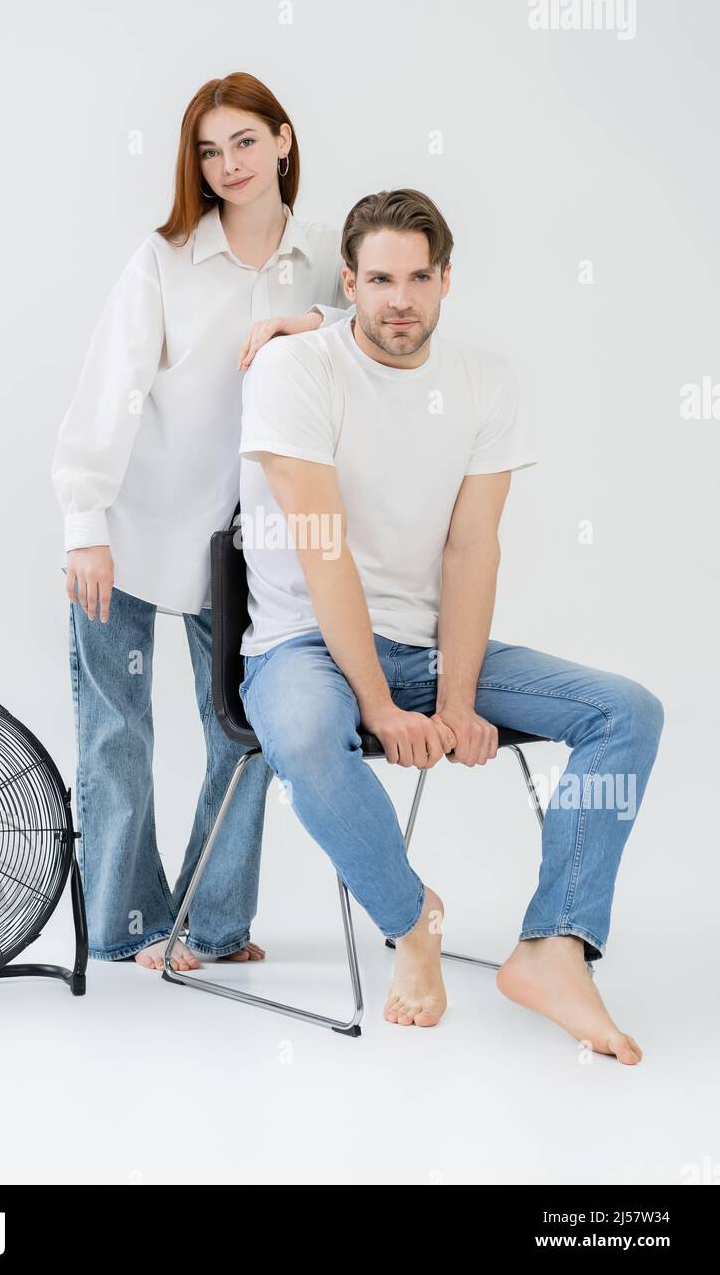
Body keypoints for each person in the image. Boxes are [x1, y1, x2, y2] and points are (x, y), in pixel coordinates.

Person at [237, 187, 664, 1062]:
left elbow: (471, 550)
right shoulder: (294, 371)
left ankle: (554, 947)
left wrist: (458, 697)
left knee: (627, 711)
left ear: (445, 281)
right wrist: (379, 706)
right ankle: (411, 921)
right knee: (309, 740)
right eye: (380, 279)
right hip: (304, 645)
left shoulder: (484, 380)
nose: (401, 300)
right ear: (348, 283)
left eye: (419, 278)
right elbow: (324, 549)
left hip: (428, 649)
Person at [51, 72, 352, 970]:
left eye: (245, 142)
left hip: (247, 548)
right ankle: (127, 925)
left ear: (284, 139)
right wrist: (84, 523)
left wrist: (312, 320)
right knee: (117, 735)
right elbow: (110, 389)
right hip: (131, 529)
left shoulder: (324, 256)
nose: (229, 165)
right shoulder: (164, 258)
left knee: (244, 733)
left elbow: (380, 327)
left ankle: (208, 924)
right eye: (210, 151)